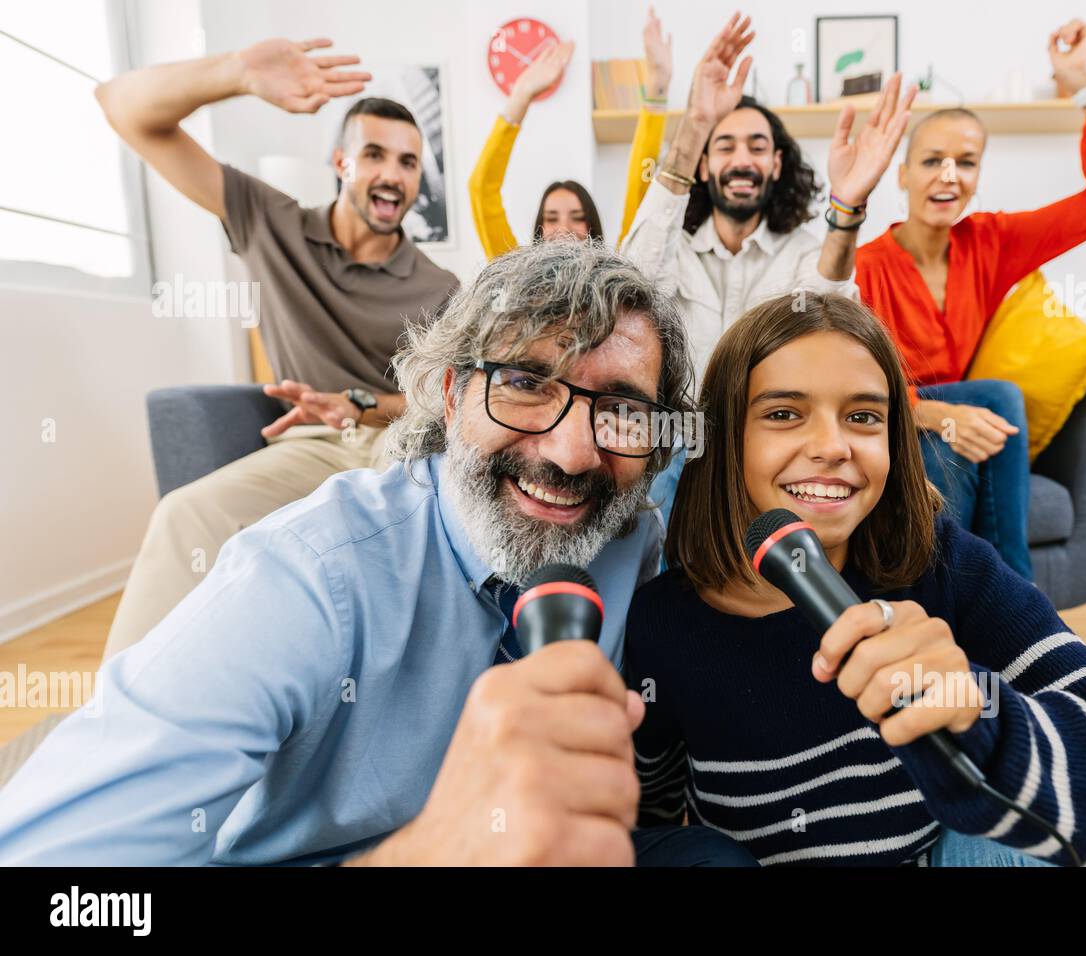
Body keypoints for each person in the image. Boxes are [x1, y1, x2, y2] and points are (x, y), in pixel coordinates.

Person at [0, 242, 745, 867]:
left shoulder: (630, 540)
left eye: (619, 410)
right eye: (524, 383)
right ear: (451, 396)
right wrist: (428, 855)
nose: (573, 453)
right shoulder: (307, 577)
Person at [626, 291, 1086, 867]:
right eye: (784, 414)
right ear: (721, 442)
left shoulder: (945, 569)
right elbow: (651, 818)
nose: (832, 446)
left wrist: (989, 720)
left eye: (864, 417)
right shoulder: (661, 625)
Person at [95, 37, 460, 660]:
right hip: (312, 445)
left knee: (402, 534)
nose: (392, 174)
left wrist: (359, 404)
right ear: (341, 162)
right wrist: (235, 73)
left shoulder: (441, 287)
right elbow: (122, 107)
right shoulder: (272, 222)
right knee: (186, 515)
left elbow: (444, 402)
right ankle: (113, 732)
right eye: (375, 154)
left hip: (401, 447)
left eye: (407, 162)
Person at [855, 18, 1086, 580]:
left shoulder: (992, 243)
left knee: (985, 416)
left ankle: (996, 611)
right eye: (931, 161)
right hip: (892, 429)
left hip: (969, 433)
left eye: (966, 162)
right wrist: (936, 414)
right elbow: (851, 384)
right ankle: (1019, 614)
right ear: (901, 175)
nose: (948, 176)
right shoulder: (866, 266)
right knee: (992, 400)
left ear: (978, 175)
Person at [621, 12, 915, 522]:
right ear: (705, 165)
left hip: (769, 442)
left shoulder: (805, 251)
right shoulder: (675, 249)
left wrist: (845, 210)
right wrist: (694, 125)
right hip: (680, 447)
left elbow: (830, 320)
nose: (743, 159)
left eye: (757, 147)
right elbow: (629, 290)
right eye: (726, 145)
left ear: (776, 166)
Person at [468, 6, 673, 253]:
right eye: (552, 218)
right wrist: (520, 96)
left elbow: (643, 188)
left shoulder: (617, 278)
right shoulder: (515, 276)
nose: (564, 229)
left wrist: (658, 89)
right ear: (539, 229)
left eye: (577, 217)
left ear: (592, 227)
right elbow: (482, 188)